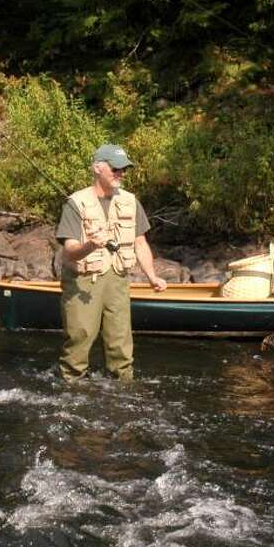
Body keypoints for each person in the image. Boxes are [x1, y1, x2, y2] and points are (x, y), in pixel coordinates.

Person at [56, 144, 167, 381]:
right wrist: (90, 245)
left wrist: (152, 277)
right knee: (79, 338)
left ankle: (123, 392)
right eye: (116, 168)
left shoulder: (131, 201)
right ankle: (71, 388)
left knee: (121, 343)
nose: (122, 173)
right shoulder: (75, 203)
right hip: (83, 282)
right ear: (98, 168)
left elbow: (140, 243)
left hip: (117, 280)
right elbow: (69, 252)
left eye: (124, 169)